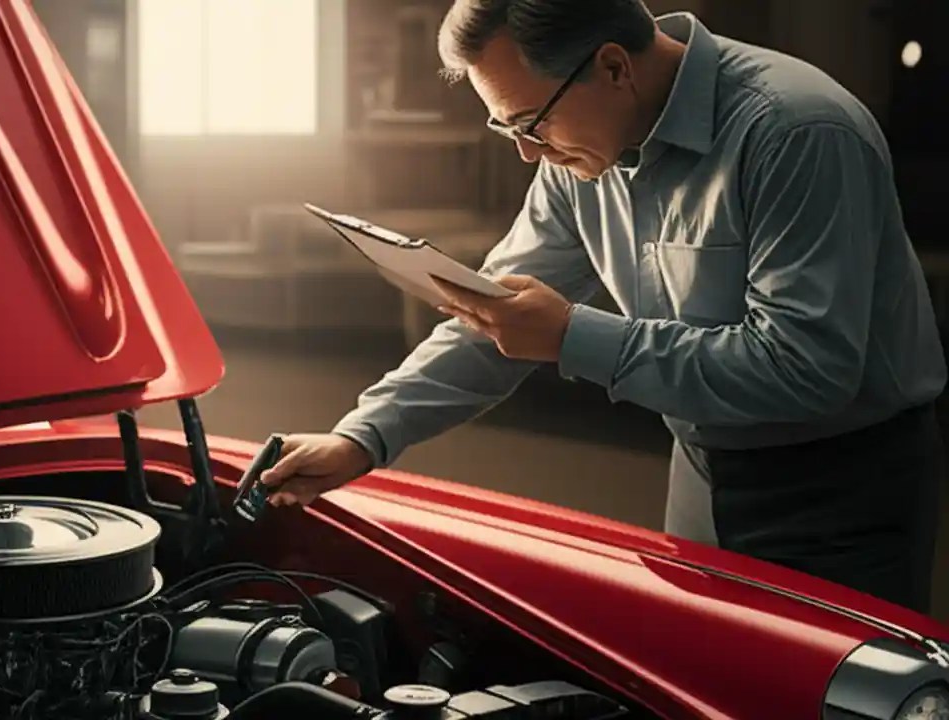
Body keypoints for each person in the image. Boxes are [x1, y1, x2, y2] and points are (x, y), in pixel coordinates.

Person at [259, 0, 947, 614]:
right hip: (701, 471)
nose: (528, 153)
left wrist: (570, 337)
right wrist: (362, 436)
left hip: (845, 490)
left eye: (530, 122)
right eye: (507, 130)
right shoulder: (577, 157)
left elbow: (807, 369)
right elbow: (494, 314)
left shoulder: (796, 132)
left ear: (614, 67)